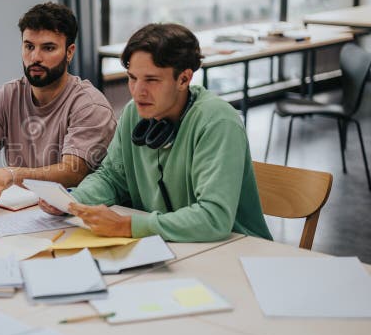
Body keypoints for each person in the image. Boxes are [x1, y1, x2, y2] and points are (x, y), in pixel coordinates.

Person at [41, 23, 272, 242]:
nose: (138, 91)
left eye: (151, 80)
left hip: (235, 250)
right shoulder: (134, 113)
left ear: (184, 79)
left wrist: (127, 226)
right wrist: (72, 201)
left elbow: (214, 218)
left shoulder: (217, 122)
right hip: (172, 244)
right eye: (132, 78)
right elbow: (111, 178)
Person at [0, 2, 116, 204]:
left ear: (69, 52)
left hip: (77, 213)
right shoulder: (5, 97)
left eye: (48, 48)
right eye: (29, 46)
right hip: (26, 211)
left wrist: (13, 174)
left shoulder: (89, 105)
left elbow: (73, 173)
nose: (35, 57)